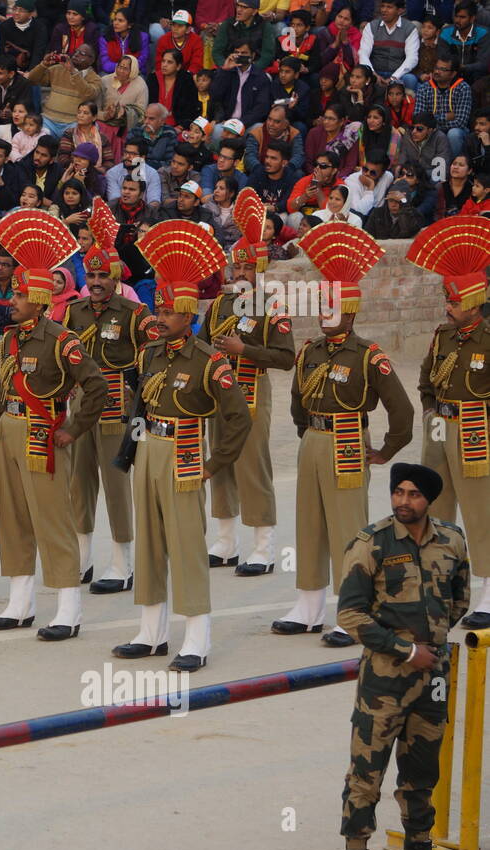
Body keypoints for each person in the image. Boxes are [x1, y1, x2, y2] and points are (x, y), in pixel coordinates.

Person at [115, 221, 251, 671]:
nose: (158, 317)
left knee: (187, 544)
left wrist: (214, 464)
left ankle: (196, 638)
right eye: (157, 308)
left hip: (187, 454)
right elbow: (139, 405)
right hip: (150, 449)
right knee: (150, 542)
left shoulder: (210, 361)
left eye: (168, 312)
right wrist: (132, 451)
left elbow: (238, 418)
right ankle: (151, 631)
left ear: (188, 315)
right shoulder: (150, 353)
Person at [273, 223, 414, 646]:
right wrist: (306, 432)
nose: (324, 312)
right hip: (313, 441)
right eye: (322, 305)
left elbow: (402, 410)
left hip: (349, 440)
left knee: (348, 528)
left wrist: (387, 450)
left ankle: (352, 610)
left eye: (332, 307)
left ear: (350, 313)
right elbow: (298, 398)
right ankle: (308, 604)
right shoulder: (310, 350)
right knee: (309, 524)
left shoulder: (368, 354)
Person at [338, 462, 469, 850]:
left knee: (422, 771)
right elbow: (350, 615)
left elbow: (460, 598)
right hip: (385, 681)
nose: (403, 501)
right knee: (366, 772)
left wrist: (432, 642)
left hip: (433, 679)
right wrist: (408, 649)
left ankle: (418, 846)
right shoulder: (372, 543)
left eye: (413, 494)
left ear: (428, 500)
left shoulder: (451, 540)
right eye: (398, 493)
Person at [0, 210, 107, 639]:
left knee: (53, 518)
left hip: (44, 434)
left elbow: (97, 388)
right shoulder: (9, 338)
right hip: (11, 432)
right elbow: (5, 383)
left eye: (18, 296)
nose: (11, 302)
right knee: (12, 516)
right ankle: (20, 602)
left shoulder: (61, 340)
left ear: (37, 299)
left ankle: (69, 609)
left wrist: (74, 429)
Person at [199, 189, 296, 576]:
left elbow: (287, 359)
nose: (239, 275)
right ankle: (225, 542)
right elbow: (203, 345)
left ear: (259, 271)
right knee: (219, 463)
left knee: (252, 465)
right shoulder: (220, 304)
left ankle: (264, 547)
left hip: (253, 392)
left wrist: (245, 350)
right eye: (234, 269)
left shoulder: (272, 306)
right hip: (219, 394)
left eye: (245, 270)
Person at [62, 199, 156, 592]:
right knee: (79, 484)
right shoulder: (74, 312)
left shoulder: (134, 314)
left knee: (116, 485)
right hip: (82, 404)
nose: (96, 281)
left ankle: (123, 563)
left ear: (115, 277)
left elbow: (151, 363)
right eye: (91, 274)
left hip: (118, 408)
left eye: (103, 275)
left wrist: (142, 412)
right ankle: (81, 558)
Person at [408, 216, 490, 630]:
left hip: (476, 429)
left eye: (455, 302)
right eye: (448, 301)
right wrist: (428, 410)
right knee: (436, 509)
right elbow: (425, 379)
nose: (449, 307)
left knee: (480, 510)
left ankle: (488, 592)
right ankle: (440, 588)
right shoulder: (442, 335)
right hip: (438, 428)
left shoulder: (488, 339)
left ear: (475, 301)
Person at [359, 0, 420, 92]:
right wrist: (372, 73)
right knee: (359, 75)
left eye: (389, 7)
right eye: (383, 6)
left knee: (410, 79)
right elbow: (363, 53)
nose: (384, 10)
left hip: (399, 74)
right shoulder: (371, 26)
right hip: (375, 72)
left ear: (400, 11)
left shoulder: (410, 29)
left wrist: (394, 77)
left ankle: (407, 106)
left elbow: (412, 58)